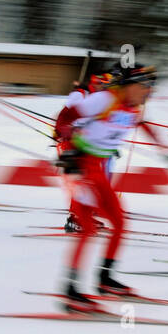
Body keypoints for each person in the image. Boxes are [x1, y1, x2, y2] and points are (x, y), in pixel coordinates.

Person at [56, 64, 168, 311]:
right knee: (88, 228)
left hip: (96, 167)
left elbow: (143, 125)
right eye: (144, 86)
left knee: (120, 221)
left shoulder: (132, 106)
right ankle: (70, 291)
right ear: (129, 85)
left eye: (150, 87)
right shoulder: (104, 99)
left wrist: (164, 149)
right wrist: (68, 145)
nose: (148, 91)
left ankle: (105, 279)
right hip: (79, 164)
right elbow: (64, 117)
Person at [57, 73, 113, 233]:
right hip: (72, 142)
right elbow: (67, 115)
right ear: (96, 83)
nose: (105, 89)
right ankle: (75, 219)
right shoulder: (80, 94)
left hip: (84, 142)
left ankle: (83, 215)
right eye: (103, 85)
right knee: (81, 179)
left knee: (89, 181)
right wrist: (63, 132)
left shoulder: (96, 97)